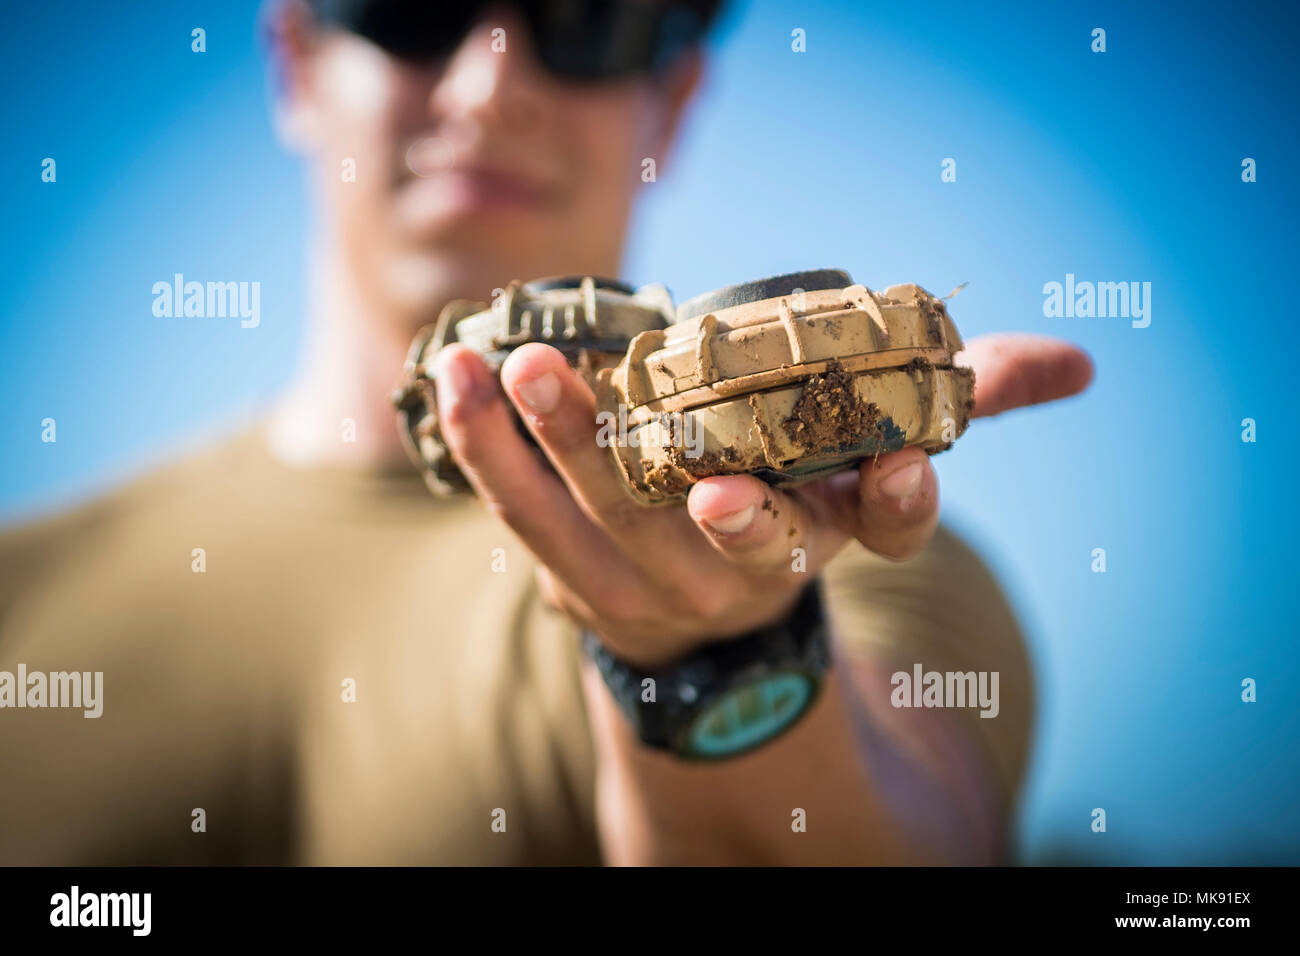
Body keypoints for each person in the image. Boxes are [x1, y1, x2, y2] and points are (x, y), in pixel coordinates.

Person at [0, 0, 1092, 865]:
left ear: (674, 95)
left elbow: (910, 832)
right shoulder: (20, 593)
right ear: (296, 57)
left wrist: (723, 656)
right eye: (413, 7)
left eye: (588, 20)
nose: (490, 85)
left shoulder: (835, 546)